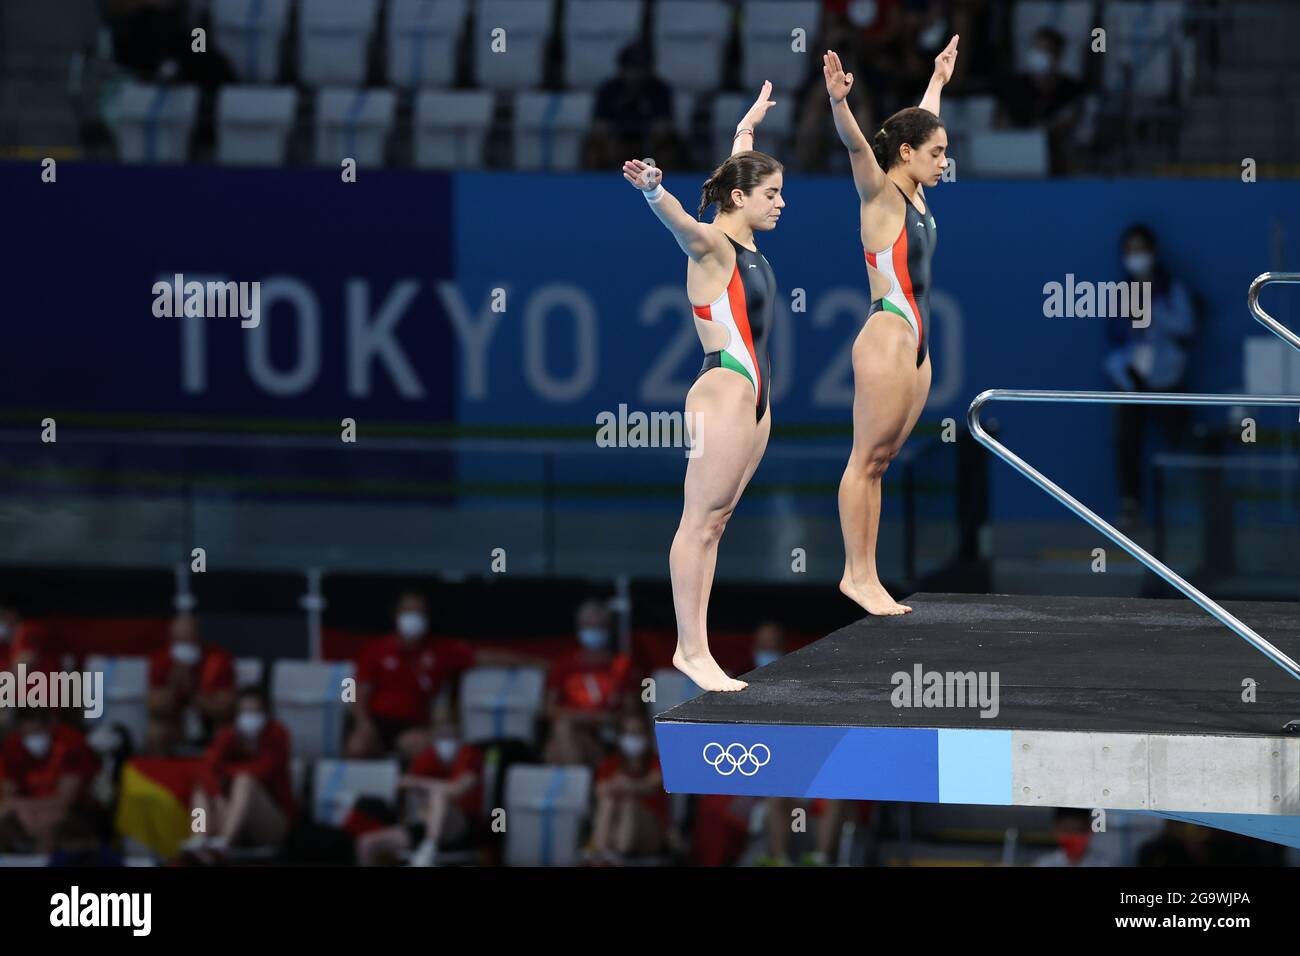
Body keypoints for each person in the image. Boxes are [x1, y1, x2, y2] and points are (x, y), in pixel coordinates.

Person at [622, 81, 784, 692]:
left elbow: (736, 174)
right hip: (724, 388)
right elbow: (686, 227)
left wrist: (747, 128)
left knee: (715, 524)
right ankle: (691, 650)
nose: (780, 204)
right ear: (740, 198)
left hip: (755, 396)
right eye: (771, 195)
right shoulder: (713, 244)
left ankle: (698, 647)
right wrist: (655, 192)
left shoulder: (740, 238)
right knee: (698, 520)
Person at [824, 38, 956, 616]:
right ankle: (857, 575)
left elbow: (924, 126)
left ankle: (868, 574)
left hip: (918, 340)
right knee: (864, 458)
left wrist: (939, 81)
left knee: (881, 463)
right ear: (905, 153)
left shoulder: (918, 188)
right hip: (888, 332)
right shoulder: (880, 193)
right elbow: (859, 148)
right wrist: (838, 104)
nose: (944, 159)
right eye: (937, 152)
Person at [348, 591, 539, 759]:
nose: (414, 618)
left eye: (420, 612)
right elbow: (355, 691)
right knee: (357, 747)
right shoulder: (375, 649)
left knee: (433, 746)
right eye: (408, 611)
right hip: (375, 723)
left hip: (414, 726)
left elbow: (488, 657)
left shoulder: (441, 651)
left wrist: (537, 663)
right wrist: (363, 723)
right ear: (396, 614)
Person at [1103, 224, 1196, 528]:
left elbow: (1185, 327)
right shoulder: (1120, 292)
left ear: (1152, 252)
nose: (1136, 256)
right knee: (1127, 441)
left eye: (1140, 249)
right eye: (1130, 251)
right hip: (1132, 381)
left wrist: (1154, 310)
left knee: (1180, 439)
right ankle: (1131, 506)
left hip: (1168, 380)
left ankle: (1187, 507)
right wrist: (1121, 371)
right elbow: (1115, 340)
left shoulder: (1172, 287)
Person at [356, 707, 483, 867]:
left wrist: (418, 783)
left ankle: (429, 848)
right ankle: (426, 847)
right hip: (424, 823)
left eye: (449, 724)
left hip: (459, 828)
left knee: (439, 794)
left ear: (459, 727)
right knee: (367, 843)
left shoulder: (470, 754)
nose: (444, 730)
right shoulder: (427, 756)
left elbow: (457, 789)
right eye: (439, 725)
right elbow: (406, 788)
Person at [186, 688, 294, 860]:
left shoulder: (278, 734)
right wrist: (217, 798)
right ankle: (199, 837)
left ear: (266, 714)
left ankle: (223, 843)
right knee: (203, 788)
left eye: (254, 711)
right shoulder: (227, 735)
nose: (249, 717)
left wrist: (224, 770)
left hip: (270, 822)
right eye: (244, 711)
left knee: (244, 781)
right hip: (231, 815)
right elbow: (204, 769)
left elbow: (264, 769)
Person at [543, 600, 632, 766]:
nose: (594, 631)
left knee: (558, 743)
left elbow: (630, 712)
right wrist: (584, 717)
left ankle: (576, 786)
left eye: (599, 626)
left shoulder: (621, 666)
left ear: (608, 629)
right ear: (579, 629)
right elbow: (548, 709)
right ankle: (581, 784)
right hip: (573, 730)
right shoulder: (563, 664)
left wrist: (602, 719)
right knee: (558, 739)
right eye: (589, 626)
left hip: (605, 737)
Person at [0, 712, 100, 854]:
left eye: (36, 732)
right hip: (27, 809)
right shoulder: (13, 745)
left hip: (72, 809)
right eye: (26, 734)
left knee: (47, 822)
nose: (31, 738)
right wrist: (23, 810)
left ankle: (43, 859)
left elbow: (65, 800)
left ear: (50, 728)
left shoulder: (71, 742)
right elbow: (8, 794)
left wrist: (28, 809)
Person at [995, 26, 1085, 175]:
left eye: (1046, 50)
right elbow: (1001, 122)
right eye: (1036, 49)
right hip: (1014, 158)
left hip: (1055, 162)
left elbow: (1070, 121)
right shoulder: (1015, 87)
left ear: (1058, 56)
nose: (1039, 55)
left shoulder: (1072, 90)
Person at [585, 711, 668, 864]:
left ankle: (619, 852)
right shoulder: (611, 763)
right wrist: (617, 786)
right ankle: (601, 850)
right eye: (629, 733)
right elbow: (599, 791)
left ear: (647, 736)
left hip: (651, 834)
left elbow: (651, 785)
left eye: (637, 733)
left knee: (629, 801)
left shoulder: (658, 761)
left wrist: (626, 785)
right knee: (608, 801)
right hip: (615, 830)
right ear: (621, 737)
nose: (633, 737)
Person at [146, 614, 235, 754]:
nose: (183, 647)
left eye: (188, 641)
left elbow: (225, 708)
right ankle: (159, 774)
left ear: (199, 638)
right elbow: (155, 707)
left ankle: (216, 773)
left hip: (208, 721)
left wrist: (194, 693)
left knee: (225, 732)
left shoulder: (218, 660)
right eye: (179, 642)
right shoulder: (161, 660)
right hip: (176, 722)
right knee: (156, 732)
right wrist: (174, 686)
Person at [587, 43, 683, 170]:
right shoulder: (609, 89)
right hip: (616, 141)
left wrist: (648, 135)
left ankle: (660, 184)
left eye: (638, 68)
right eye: (630, 68)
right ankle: (597, 183)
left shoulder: (660, 89)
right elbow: (599, 124)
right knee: (595, 150)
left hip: (650, 142)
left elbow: (664, 125)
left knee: (668, 150)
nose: (634, 73)